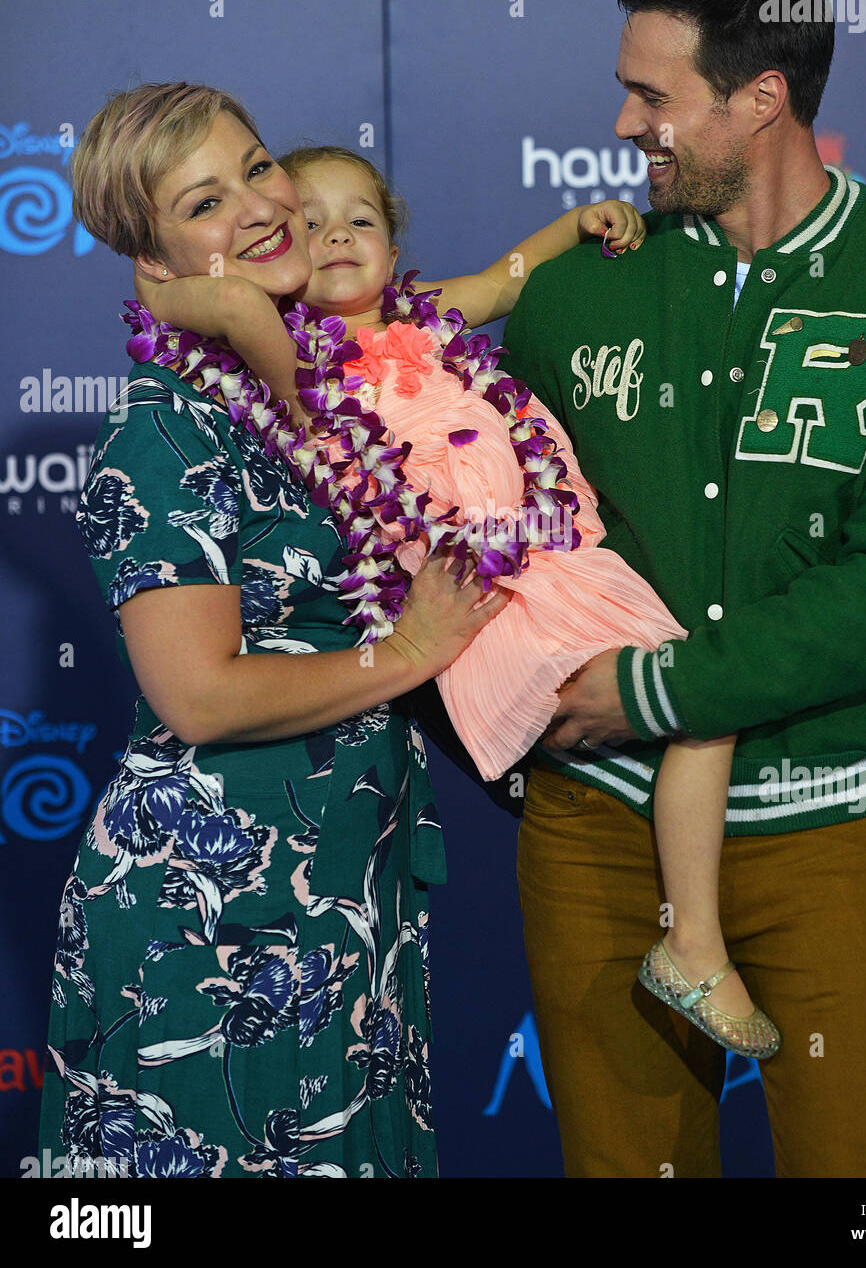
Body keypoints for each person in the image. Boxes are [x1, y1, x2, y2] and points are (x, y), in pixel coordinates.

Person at [502, 0, 866, 1177]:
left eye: (653, 94)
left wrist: (653, 690)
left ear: (761, 99)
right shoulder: (575, 288)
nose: (623, 122)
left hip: (816, 827)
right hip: (593, 835)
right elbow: (498, 526)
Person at [135, 143, 780, 1059]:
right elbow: (225, 304)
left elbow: (509, 277)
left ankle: (692, 936)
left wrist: (581, 221)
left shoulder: (427, 324)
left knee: (696, 704)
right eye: (310, 223)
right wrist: (183, 293)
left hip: (550, 565)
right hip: (474, 599)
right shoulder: (293, 365)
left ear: (395, 252)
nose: (337, 236)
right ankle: (690, 940)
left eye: (362, 220)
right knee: (642, 723)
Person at [39, 83, 512, 1180]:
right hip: (213, 928)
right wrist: (402, 655)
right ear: (151, 256)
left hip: (345, 892)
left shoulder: (315, 379)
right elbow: (196, 693)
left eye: (257, 167)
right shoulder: (163, 425)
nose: (260, 206)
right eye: (204, 201)